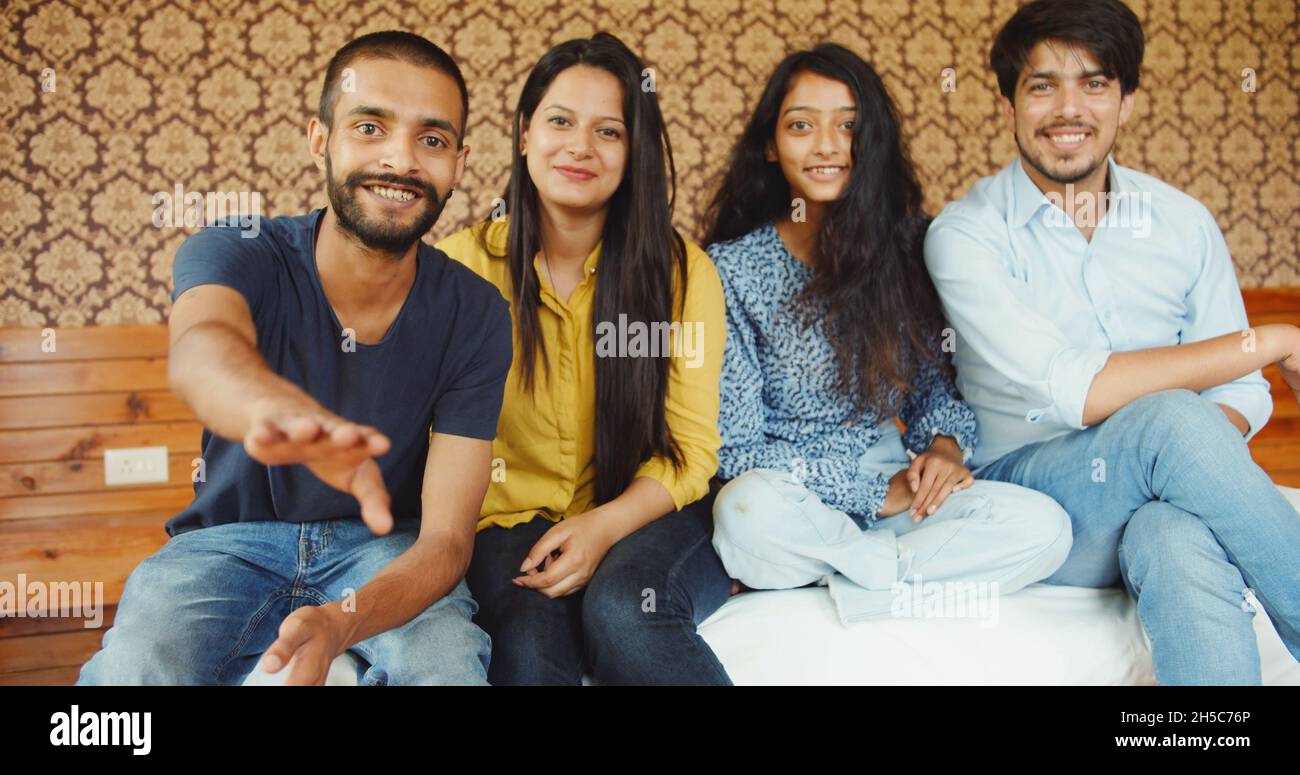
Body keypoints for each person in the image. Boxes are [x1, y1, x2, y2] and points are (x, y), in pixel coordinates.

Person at [78, 31, 512, 686]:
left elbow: (447, 542)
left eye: (432, 138)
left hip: (385, 551)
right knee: (135, 668)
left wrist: (342, 620)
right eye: (370, 126)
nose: (401, 159)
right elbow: (203, 349)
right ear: (320, 138)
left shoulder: (476, 310)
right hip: (226, 540)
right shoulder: (239, 249)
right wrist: (273, 406)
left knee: (445, 664)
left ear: (458, 161)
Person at [924, 0, 1300, 684]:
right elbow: (1078, 387)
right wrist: (1272, 337)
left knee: (1173, 532)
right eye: (1042, 86)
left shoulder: (1183, 224)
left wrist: (1187, 460)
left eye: (1094, 83)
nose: (1069, 109)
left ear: (1126, 101)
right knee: (1171, 421)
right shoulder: (965, 235)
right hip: (1031, 496)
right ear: (1007, 108)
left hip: (1151, 499)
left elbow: (1239, 390)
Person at [703, 43, 1072, 624]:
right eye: (802, 126)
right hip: (791, 496)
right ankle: (898, 578)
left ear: (871, 142)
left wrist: (945, 449)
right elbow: (736, 449)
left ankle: (848, 576)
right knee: (743, 513)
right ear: (771, 147)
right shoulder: (729, 270)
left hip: (893, 482)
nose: (827, 145)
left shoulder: (906, 248)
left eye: (849, 126)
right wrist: (873, 496)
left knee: (1044, 528)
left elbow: (932, 388)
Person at [436, 33, 733, 685]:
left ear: (633, 154)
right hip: (507, 521)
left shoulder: (683, 273)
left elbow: (691, 448)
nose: (580, 147)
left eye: (609, 131)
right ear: (523, 134)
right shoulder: (460, 268)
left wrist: (602, 527)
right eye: (560, 121)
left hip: (651, 510)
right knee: (529, 641)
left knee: (625, 610)